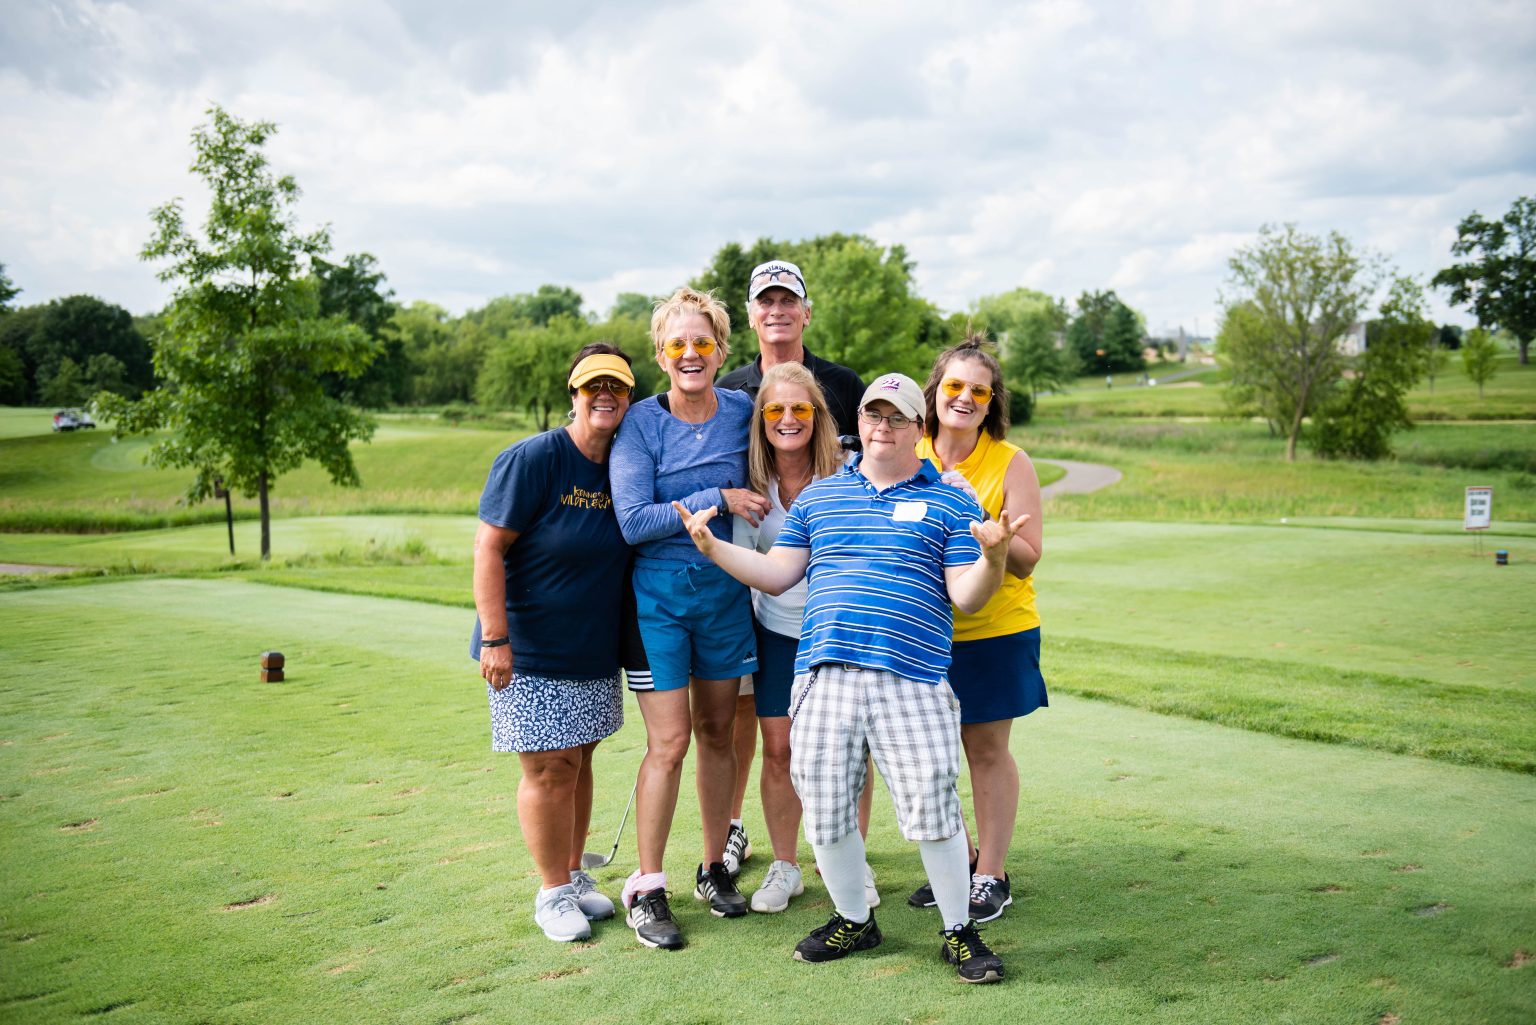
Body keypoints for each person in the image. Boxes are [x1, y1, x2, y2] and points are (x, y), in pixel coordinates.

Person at [674, 372, 1027, 984]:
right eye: (873, 415)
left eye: (897, 418)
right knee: (828, 809)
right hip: (825, 676)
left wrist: (994, 556)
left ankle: (958, 931)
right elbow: (776, 573)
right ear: (857, 425)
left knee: (933, 807)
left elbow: (967, 596)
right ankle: (853, 918)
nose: (883, 427)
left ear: (920, 429)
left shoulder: (950, 500)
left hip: (911, 678)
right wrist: (712, 550)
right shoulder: (820, 498)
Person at [609, 286, 770, 950]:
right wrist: (718, 495)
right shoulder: (641, 424)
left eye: (702, 342)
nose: (690, 354)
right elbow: (634, 521)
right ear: (660, 352)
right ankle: (647, 886)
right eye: (677, 343)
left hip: (726, 590)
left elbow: (789, 451)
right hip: (662, 600)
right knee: (669, 742)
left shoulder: (742, 410)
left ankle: (713, 867)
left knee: (719, 732)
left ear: (721, 349)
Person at [470, 343, 636, 943]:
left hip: (592, 646)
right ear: (574, 394)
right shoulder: (535, 458)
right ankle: (549, 893)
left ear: (629, 396)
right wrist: (495, 638)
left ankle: (571, 876)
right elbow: (489, 547)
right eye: (593, 386)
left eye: (616, 386)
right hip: (530, 646)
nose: (604, 396)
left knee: (581, 759)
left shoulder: (623, 463)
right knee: (549, 768)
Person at [716, 258, 866, 882]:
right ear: (750, 316)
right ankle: (738, 834)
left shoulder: (843, 384)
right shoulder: (730, 390)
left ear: (805, 312)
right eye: (764, 302)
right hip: (760, 604)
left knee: (847, 744)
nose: (775, 311)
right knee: (753, 726)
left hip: (832, 610)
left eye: (787, 301)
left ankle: (852, 855)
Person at [910, 336, 1047, 924]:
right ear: (934, 392)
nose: (964, 397)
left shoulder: (1010, 461)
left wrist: (980, 518)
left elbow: (1028, 557)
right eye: (954, 386)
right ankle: (960, 863)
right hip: (920, 632)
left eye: (979, 391)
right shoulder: (904, 447)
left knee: (985, 752)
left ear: (991, 404)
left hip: (993, 630)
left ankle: (992, 873)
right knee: (930, 757)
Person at [729, 362, 844, 914]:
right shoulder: (752, 486)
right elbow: (747, 561)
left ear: (818, 415)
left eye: (801, 408)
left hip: (835, 638)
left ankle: (851, 858)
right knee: (779, 750)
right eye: (775, 409)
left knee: (848, 752)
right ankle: (785, 865)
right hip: (775, 633)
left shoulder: (846, 477)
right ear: (762, 419)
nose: (788, 419)